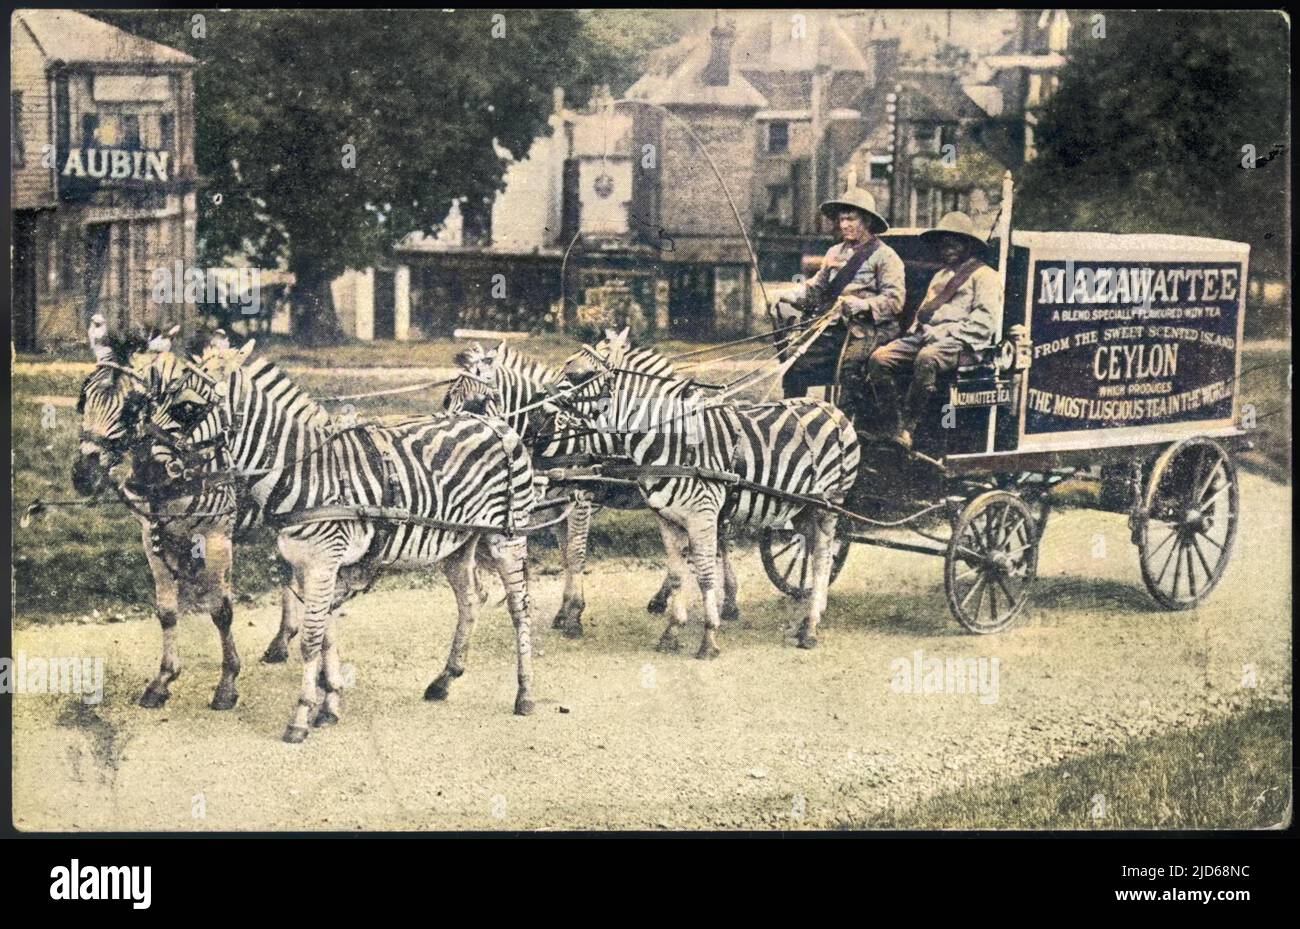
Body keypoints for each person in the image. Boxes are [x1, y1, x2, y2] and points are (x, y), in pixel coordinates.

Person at [867, 211, 1002, 449]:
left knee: (927, 358)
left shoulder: (985, 276)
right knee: (879, 358)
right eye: (943, 244)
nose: (947, 248)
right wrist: (915, 333)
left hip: (962, 343)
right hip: (927, 337)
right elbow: (924, 313)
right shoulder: (940, 275)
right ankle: (892, 426)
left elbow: (983, 324)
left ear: (968, 245)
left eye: (954, 243)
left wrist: (941, 334)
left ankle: (909, 429)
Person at [773, 187, 905, 423]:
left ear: (866, 221)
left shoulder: (886, 256)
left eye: (851, 218)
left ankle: (847, 432)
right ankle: (791, 424)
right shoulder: (834, 252)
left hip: (869, 331)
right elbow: (816, 291)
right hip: (832, 329)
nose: (844, 225)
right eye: (842, 219)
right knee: (794, 360)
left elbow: (895, 301)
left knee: (850, 369)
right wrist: (788, 295)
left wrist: (863, 305)